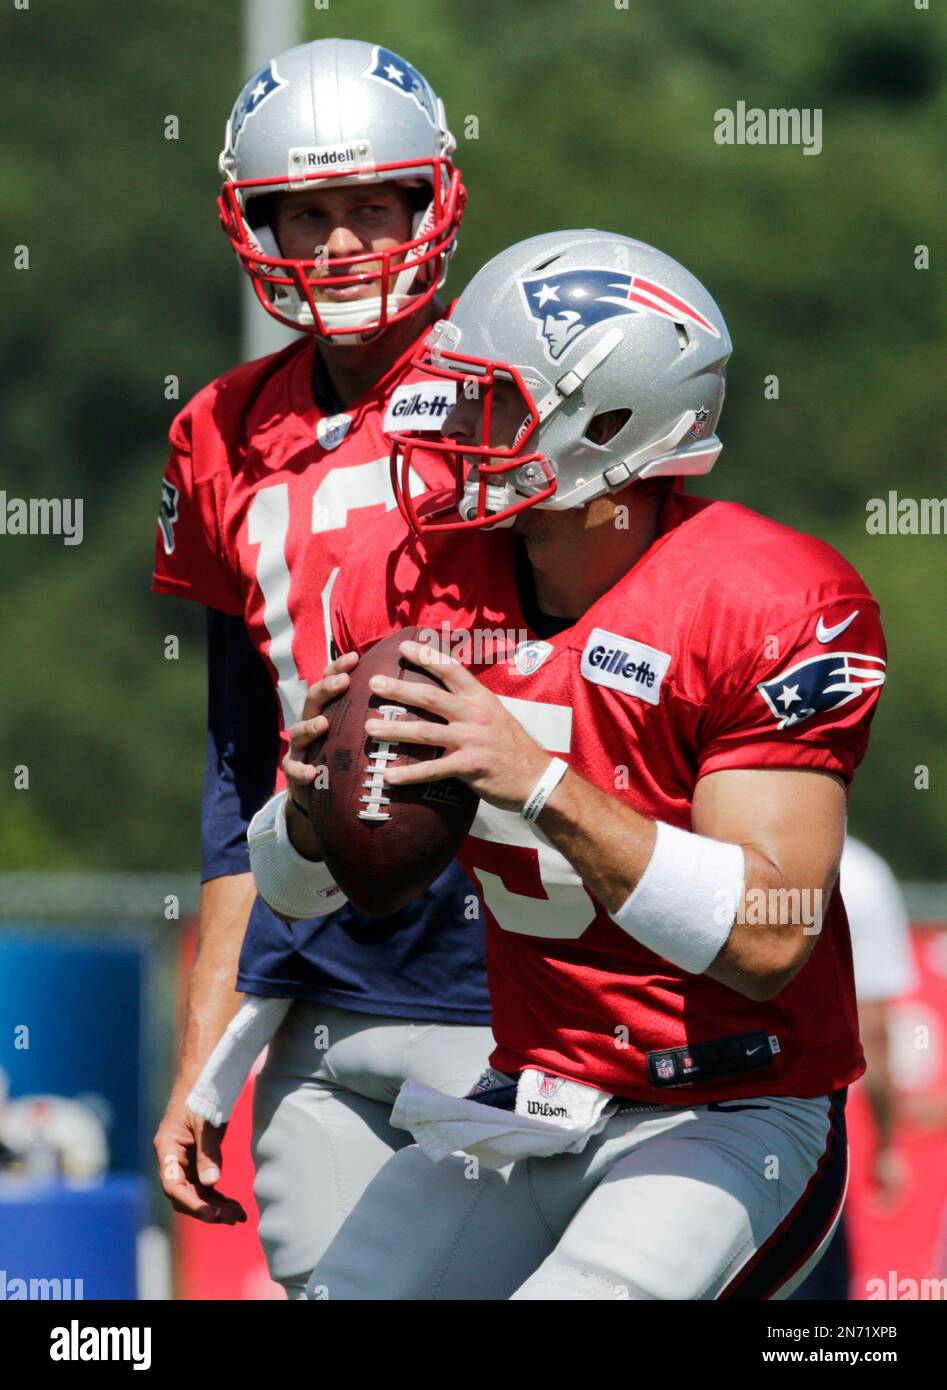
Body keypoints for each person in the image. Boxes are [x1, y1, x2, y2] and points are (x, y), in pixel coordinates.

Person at [256, 229, 889, 1299]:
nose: (451, 430)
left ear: (607, 429)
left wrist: (539, 785)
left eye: (489, 403)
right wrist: (316, 810)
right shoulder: (414, 579)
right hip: (529, 1093)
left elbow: (770, 933)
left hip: (729, 1110)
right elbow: (302, 888)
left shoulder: (765, 597)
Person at [151, 38, 493, 1299]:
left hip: (519, 970)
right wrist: (207, 1051)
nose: (342, 242)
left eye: (371, 205)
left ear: (431, 201)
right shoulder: (219, 432)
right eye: (309, 211)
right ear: (258, 221)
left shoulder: (511, 389)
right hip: (321, 988)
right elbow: (240, 770)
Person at [790, 835, 918, 1300]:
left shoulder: (704, 841)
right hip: (805, 1129)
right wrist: (886, 1144)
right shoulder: (862, 874)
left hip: (678, 1114)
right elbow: (877, 1033)